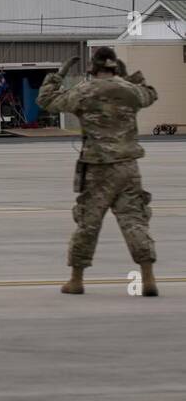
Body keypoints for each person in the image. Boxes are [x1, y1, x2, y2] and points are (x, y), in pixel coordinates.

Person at [37, 47, 158, 296]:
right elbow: (150, 95)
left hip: (98, 169)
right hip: (128, 166)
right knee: (135, 220)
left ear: (93, 67)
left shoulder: (84, 91)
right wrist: (130, 78)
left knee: (88, 223)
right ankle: (148, 278)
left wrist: (58, 76)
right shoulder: (130, 90)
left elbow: (46, 101)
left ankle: (76, 280)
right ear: (115, 67)